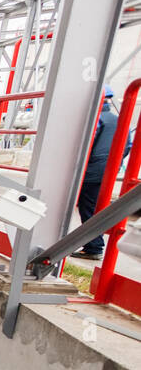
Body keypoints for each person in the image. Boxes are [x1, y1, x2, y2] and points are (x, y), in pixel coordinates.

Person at [73, 85, 128, 260]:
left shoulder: (95, 119)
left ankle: (94, 247)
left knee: (87, 208)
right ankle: (93, 245)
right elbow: (127, 146)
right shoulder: (119, 120)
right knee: (95, 207)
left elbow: (86, 145)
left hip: (90, 172)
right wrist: (113, 164)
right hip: (107, 171)